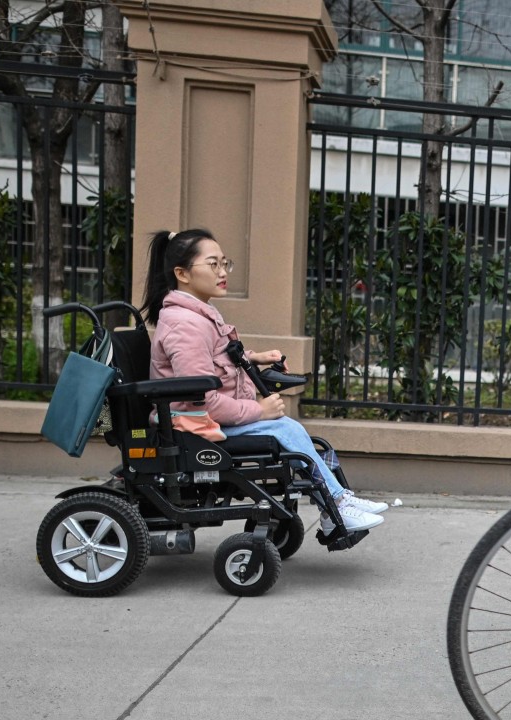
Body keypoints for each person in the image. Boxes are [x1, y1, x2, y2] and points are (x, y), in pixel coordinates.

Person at [142, 228, 389, 545]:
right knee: (285, 430)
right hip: (192, 427)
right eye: (213, 264)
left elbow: (211, 360)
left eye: (224, 264)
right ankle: (337, 506)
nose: (222, 272)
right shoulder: (185, 324)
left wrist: (252, 358)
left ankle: (339, 502)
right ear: (182, 273)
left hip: (200, 422)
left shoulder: (197, 315)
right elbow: (201, 398)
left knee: (292, 432)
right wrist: (258, 410)